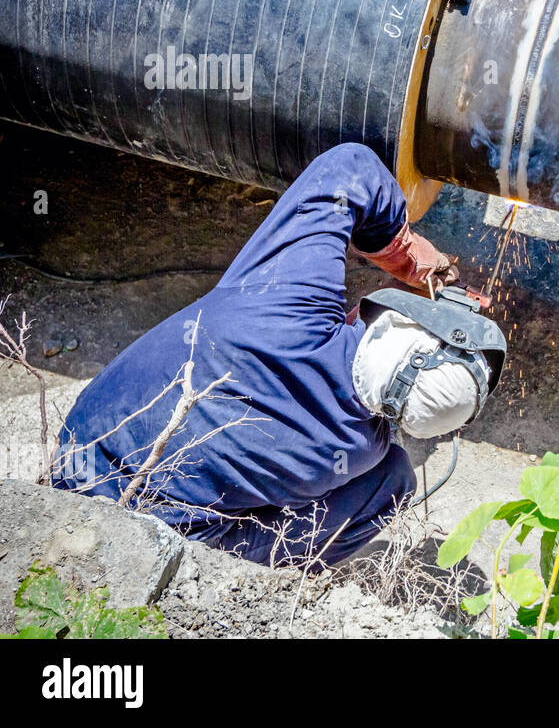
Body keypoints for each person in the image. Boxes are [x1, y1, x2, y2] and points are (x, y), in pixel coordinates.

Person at [52, 143, 504, 567]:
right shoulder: (362, 449)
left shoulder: (291, 300)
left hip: (76, 462)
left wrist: (411, 257)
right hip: (148, 546)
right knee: (394, 484)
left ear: (395, 318)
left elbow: (351, 166)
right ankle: (237, 565)